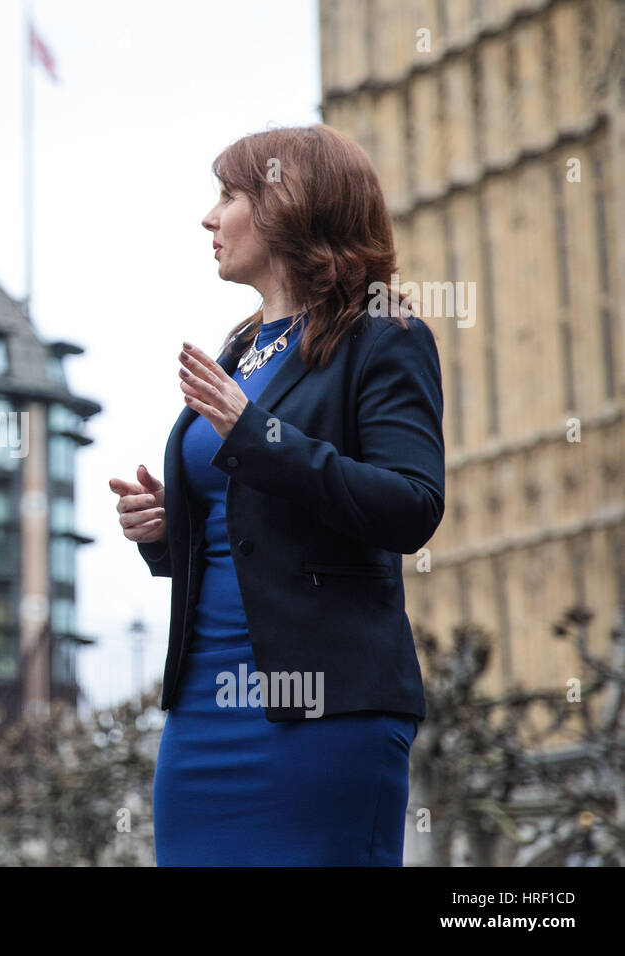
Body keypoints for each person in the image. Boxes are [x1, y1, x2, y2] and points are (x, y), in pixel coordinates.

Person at [109, 124, 445, 865]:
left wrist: (254, 433)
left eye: (229, 195)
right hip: (201, 712)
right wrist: (168, 530)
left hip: (323, 713)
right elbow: (257, 525)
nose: (209, 217)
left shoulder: (384, 335)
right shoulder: (239, 347)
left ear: (289, 207)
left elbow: (412, 506)